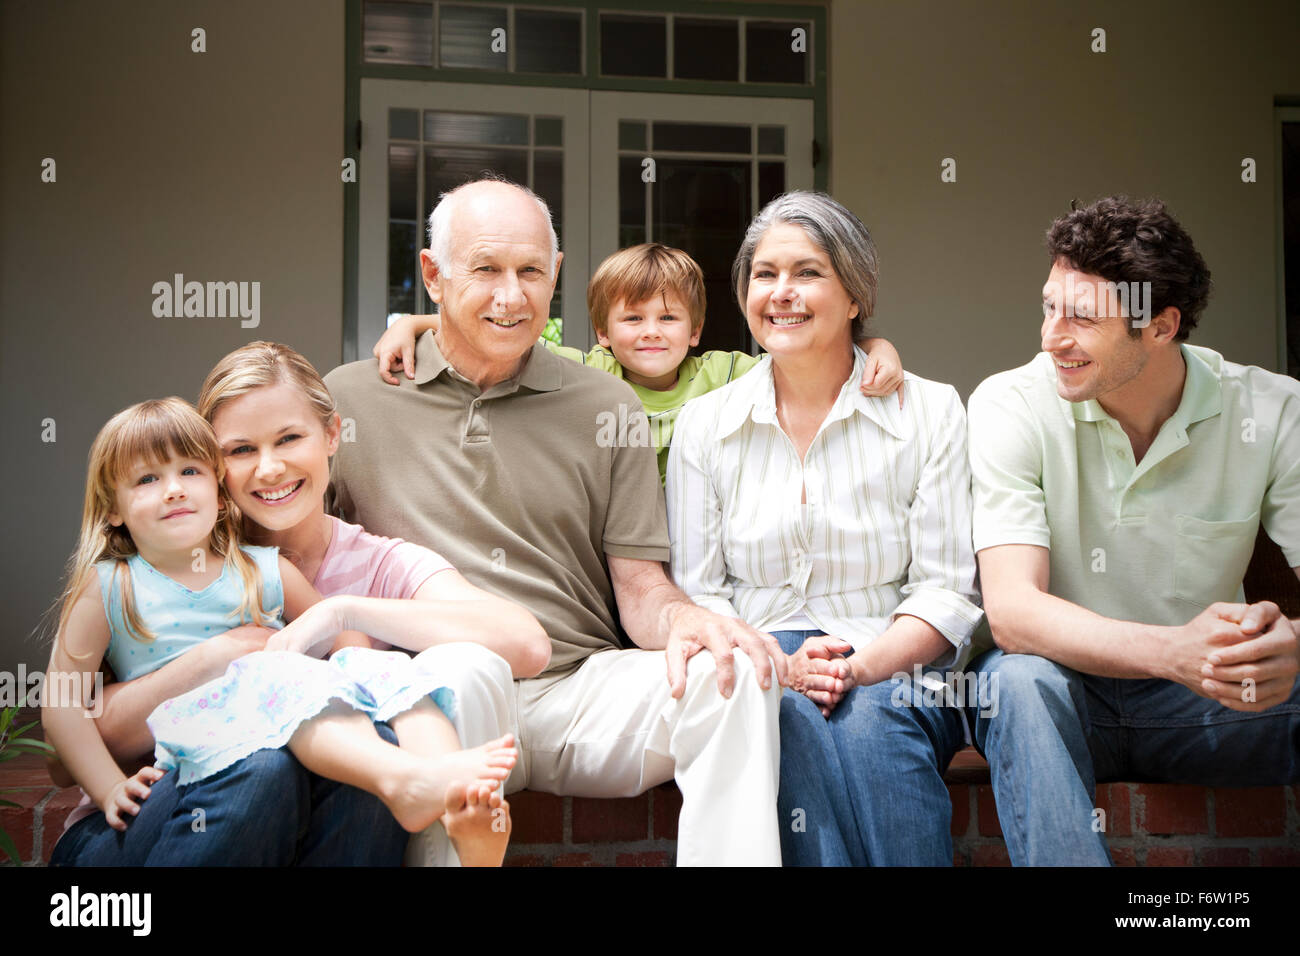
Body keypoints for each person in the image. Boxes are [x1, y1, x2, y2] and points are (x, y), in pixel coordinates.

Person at [324, 175, 788, 866]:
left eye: (531, 272)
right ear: (432, 274)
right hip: (439, 696)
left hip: (580, 688)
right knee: (464, 662)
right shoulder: (350, 398)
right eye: (485, 270)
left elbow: (639, 586)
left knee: (734, 677)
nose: (511, 296)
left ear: (556, 276)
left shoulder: (604, 403)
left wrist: (688, 620)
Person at [51, 344, 550, 866]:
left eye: (290, 438)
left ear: (332, 434)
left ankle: (449, 803)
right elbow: (63, 755)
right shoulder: (140, 568)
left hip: (297, 824)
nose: (270, 468)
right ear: (217, 466)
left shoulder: (342, 567)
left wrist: (343, 612)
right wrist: (224, 657)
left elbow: (526, 643)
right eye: (240, 450)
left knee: (374, 728)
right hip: (133, 828)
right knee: (263, 768)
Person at [965, 196, 1300, 864]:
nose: (1050, 336)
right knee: (1015, 684)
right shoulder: (1010, 404)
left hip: (1207, 706)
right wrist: (1176, 649)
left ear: (1161, 326)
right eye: (1048, 306)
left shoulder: (1272, 409)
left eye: (1082, 317)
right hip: (1064, 704)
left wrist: (1288, 644)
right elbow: (1012, 614)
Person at [667, 191, 983, 865]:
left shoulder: (929, 411)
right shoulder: (705, 422)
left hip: (893, 656)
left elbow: (946, 590)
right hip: (756, 657)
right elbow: (700, 593)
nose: (781, 293)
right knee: (781, 715)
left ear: (854, 294)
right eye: (764, 273)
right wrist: (781, 665)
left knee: (874, 721)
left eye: (807, 272)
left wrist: (856, 668)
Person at [373, 242, 905, 482]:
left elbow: (807, 354)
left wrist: (875, 348)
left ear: (695, 331)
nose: (651, 332)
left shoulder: (721, 373)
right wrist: (414, 323)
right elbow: (499, 336)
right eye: (632, 320)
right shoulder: (588, 371)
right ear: (603, 332)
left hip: (696, 536)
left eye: (669, 319)